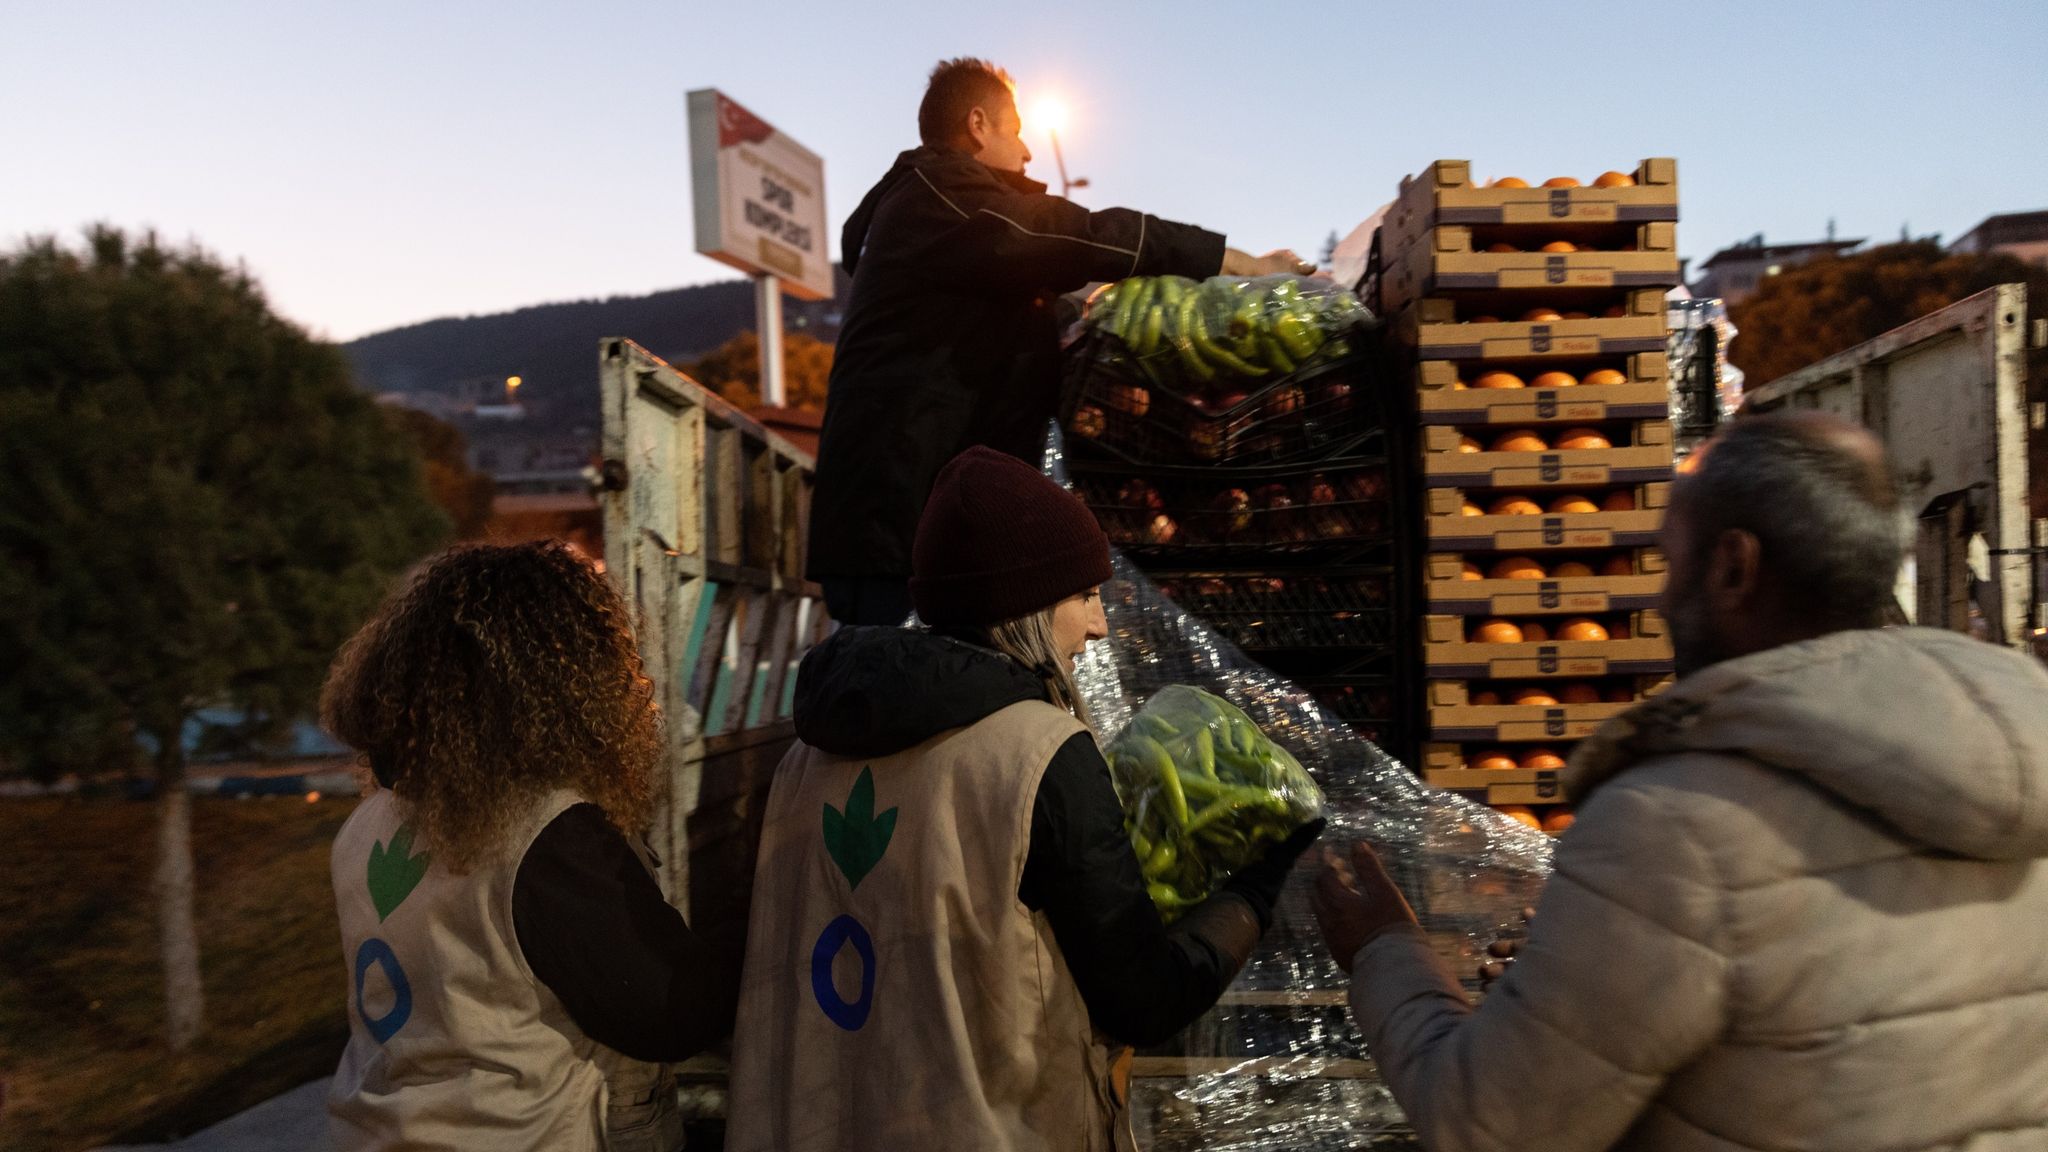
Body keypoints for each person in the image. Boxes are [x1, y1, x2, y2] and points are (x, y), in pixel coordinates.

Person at [1312, 412, 2048, 1150]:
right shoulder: (2019, 754)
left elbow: (1489, 1127)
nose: (1658, 602)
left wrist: (1385, 949)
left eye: (1669, 562)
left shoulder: (1676, 824)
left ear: (1732, 566)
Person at [730, 446, 1322, 1150]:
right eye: (1085, 595)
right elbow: (1143, 999)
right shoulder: (1042, 752)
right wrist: (1258, 883)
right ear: (1028, 606)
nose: (1100, 626)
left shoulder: (803, 756)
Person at [809, 57, 1312, 626]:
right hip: (896, 523)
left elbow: (996, 315)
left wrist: (1090, 311)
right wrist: (1236, 262)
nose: (1027, 152)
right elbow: (1062, 233)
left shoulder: (935, 217)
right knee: (904, 674)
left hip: (912, 522)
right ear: (978, 125)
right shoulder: (939, 194)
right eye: (1016, 131)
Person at [320, 541, 743, 1151]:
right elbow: (666, 1012)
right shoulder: (547, 834)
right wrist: (752, 925)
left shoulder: (364, 826)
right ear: (566, 682)